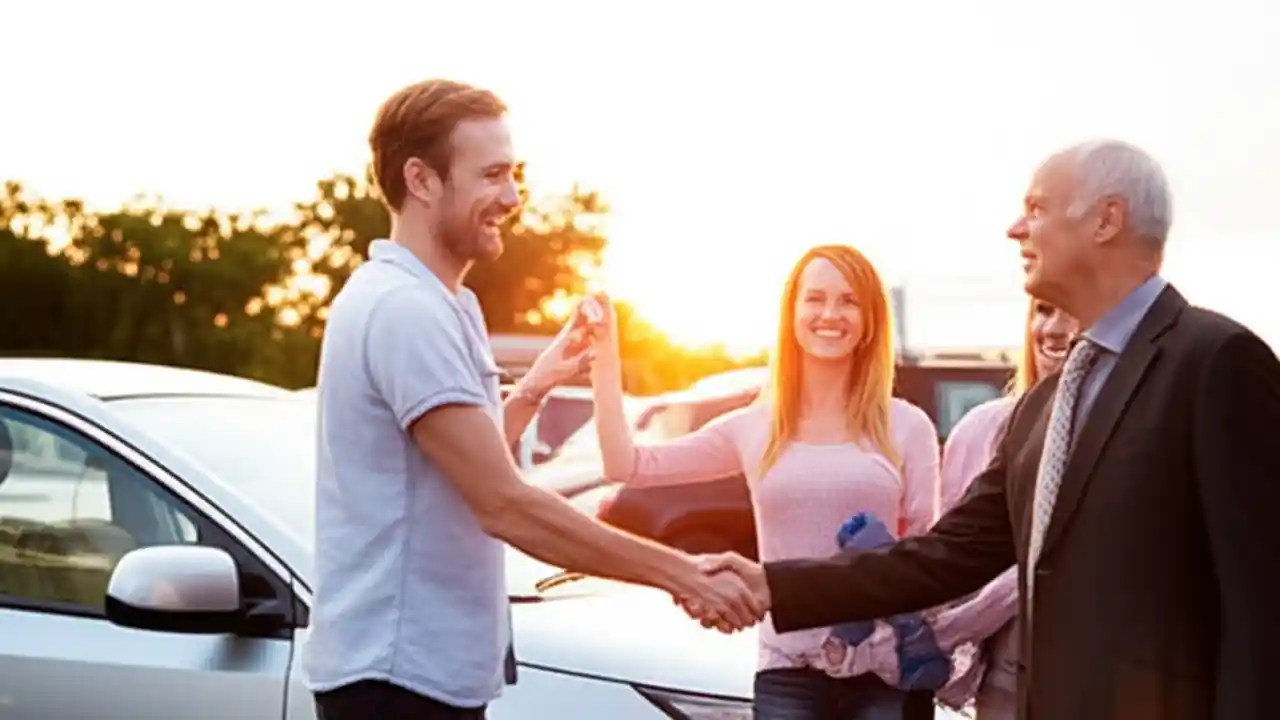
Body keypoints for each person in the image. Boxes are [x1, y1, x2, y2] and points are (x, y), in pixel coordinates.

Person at [700, 140, 1280, 719]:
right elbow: (946, 556)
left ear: (1106, 219)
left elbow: (1263, 604)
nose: (1015, 229)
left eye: (1037, 208)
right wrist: (773, 584)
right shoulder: (1043, 406)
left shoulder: (1218, 362)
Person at [302, 78, 762, 720]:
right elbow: (504, 503)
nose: (513, 197)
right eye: (492, 175)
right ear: (422, 179)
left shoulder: (445, 303)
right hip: (395, 682)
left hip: (421, 677)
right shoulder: (403, 310)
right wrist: (682, 574)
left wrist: (539, 383)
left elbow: (458, 464)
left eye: (513, 175)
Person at [589, 244, 941, 719]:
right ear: (791, 313)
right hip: (787, 671)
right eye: (814, 298)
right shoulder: (753, 426)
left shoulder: (907, 426)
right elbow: (624, 464)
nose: (830, 314)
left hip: (884, 676)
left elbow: (926, 557)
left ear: (870, 321)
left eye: (848, 301)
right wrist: (604, 355)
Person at [929, 298, 1079, 718]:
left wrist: (956, 626)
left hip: (1099, 676)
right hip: (1004, 679)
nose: (1052, 328)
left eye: (1071, 310)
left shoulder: (1127, 436)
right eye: (1044, 309)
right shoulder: (980, 429)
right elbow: (949, 558)